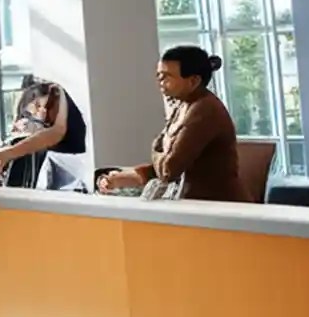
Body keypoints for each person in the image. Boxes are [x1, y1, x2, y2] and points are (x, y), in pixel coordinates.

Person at [98, 46, 248, 202]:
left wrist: (156, 147)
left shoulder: (204, 111)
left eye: (167, 77)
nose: (160, 82)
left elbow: (168, 170)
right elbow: (166, 165)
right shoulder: (183, 105)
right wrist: (119, 179)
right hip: (195, 204)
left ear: (193, 81)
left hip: (219, 208)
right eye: (159, 76)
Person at [0, 77, 88, 189]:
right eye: (34, 112)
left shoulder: (58, 91)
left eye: (39, 104)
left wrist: (10, 152)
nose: (42, 112)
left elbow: (56, 132)